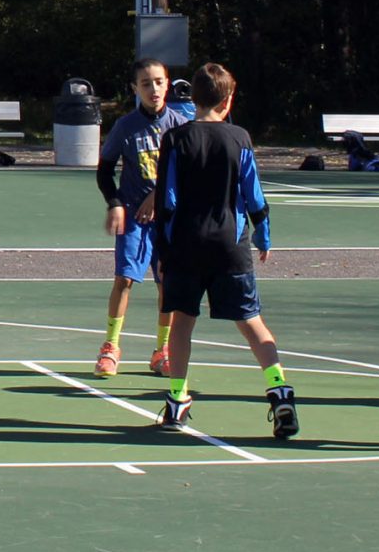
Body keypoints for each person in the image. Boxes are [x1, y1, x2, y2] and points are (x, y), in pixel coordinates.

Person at [135, 62, 298, 439]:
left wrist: (163, 249)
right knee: (252, 323)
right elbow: (253, 194)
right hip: (230, 248)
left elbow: (168, 198)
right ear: (229, 99)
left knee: (182, 323)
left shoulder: (175, 139)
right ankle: (280, 393)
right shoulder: (239, 138)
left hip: (187, 248)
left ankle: (177, 401)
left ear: (192, 99)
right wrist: (264, 235)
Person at [93, 58, 182, 378]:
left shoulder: (178, 126)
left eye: (159, 81)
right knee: (125, 279)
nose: (153, 88)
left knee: (167, 282)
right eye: (146, 83)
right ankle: (111, 346)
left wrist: (157, 196)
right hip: (133, 217)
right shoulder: (125, 127)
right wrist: (115, 203)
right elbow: (104, 171)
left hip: (169, 217)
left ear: (167, 83)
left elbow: (185, 174)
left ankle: (163, 350)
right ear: (135, 89)